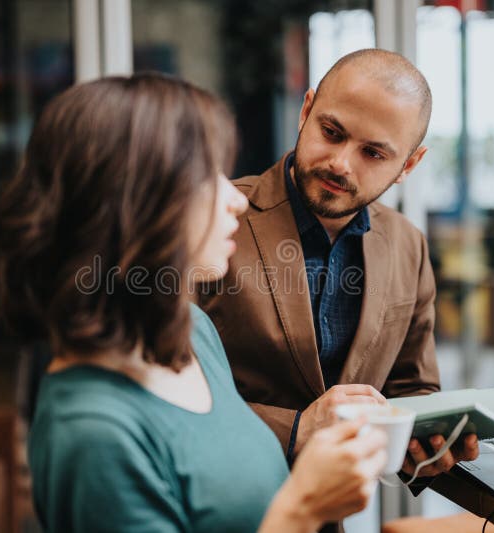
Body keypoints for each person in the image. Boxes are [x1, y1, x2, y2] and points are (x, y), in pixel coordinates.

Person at [0, 73, 388, 532]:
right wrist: (303, 508)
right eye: (207, 176)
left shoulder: (190, 329)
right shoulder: (93, 434)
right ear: (137, 203)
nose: (237, 201)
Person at [200, 49, 479, 484]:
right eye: (332, 132)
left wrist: (425, 443)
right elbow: (156, 398)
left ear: (409, 164)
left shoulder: (408, 246)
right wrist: (296, 431)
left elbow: (411, 390)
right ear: (306, 110)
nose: (340, 163)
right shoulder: (210, 221)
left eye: (373, 153)